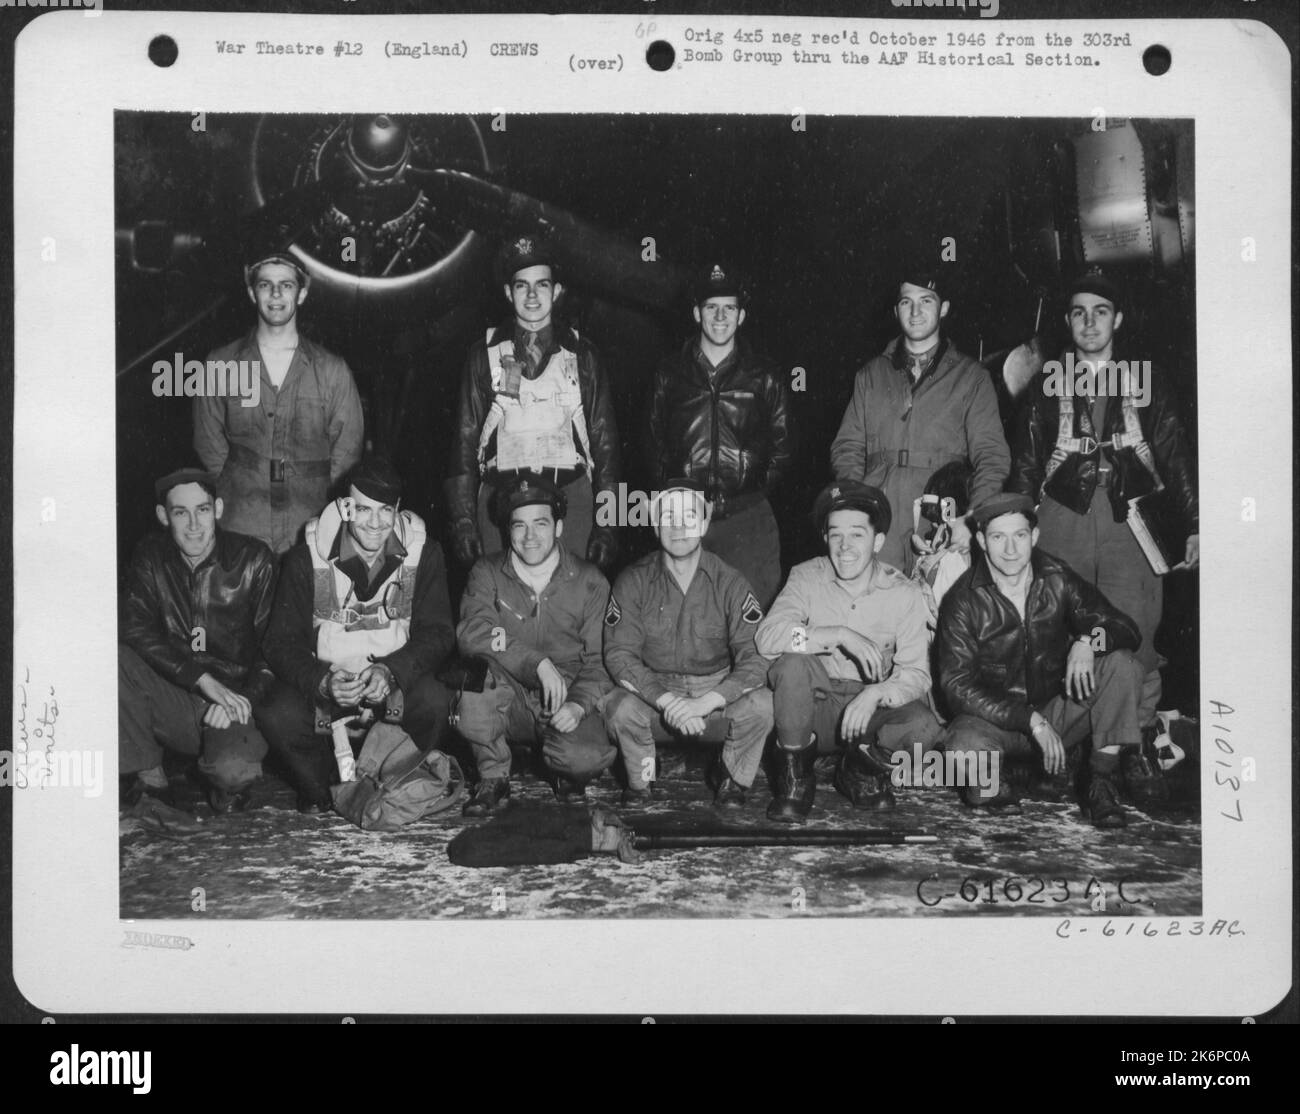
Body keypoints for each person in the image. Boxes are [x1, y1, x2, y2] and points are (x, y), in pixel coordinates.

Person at [1007, 269, 1198, 780]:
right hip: (1062, 517)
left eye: (1100, 311)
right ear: (1067, 322)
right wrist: (1018, 525)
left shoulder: (1146, 378)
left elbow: (1174, 453)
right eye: (1078, 312)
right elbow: (1026, 463)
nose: (1088, 322)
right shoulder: (1046, 385)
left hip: (1129, 521)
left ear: (1118, 318)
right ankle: (1068, 742)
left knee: (1135, 632)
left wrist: (1194, 522)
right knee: (1060, 631)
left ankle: (1129, 747)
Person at [936, 493, 1145, 828]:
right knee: (963, 754)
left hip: (1057, 712)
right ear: (980, 541)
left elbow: (1126, 629)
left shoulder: (1057, 578)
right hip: (995, 723)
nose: (1010, 549)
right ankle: (1019, 774)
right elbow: (956, 687)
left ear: (1034, 536)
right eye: (997, 537)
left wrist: (1090, 639)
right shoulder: (962, 600)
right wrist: (1029, 719)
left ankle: (1100, 780)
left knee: (1122, 664)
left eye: (1019, 536)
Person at [261, 456, 456, 813]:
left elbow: (439, 631)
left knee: (436, 698)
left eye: (385, 511)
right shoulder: (308, 557)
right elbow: (280, 642)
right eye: (363, 510)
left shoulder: (422, 552)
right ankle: (322, 787)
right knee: (277, 711)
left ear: (398, 509)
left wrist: (391, 671)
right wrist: (323, 681)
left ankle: (392, 779)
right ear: (345, 507)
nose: (375, 523)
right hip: (330, 683)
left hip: (392, 681)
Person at [756, 481, 942, 822]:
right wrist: (837, 635)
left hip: (866, 716)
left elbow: (916, 674)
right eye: (835, 535)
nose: (844, 547)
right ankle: (796, 780)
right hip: (813, 709)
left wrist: (876, 693)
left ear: (878, 541)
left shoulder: (904, 592)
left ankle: (859, 771)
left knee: (923, 726)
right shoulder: (805, 577)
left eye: (857, 535)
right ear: (825, 538)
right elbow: (768, 638)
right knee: (792, 664)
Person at [445, 231, 622, 572]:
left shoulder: (583, 354)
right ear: (508, 293)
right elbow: (464, 444)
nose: (531, 295)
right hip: (502, 506)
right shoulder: (483, 353)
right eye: (521, 285)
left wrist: (609, 524)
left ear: (556, 292)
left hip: (571, 502)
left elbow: (606, 449)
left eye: (541, 285)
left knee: (572, 613)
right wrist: (463, 521)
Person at [453, 473, 617, 814]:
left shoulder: (589, 581)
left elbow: (601, 660)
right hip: (508, 691)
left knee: (585, 759)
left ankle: (563, 770)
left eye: (540, 524)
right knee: (471, 690)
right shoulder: (487, 573)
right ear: (506, 529)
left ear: (558, 527)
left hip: (566, 694)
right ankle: (493, 775)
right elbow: (474, 633)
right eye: (519, 526)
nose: (529, 537)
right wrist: (537, 663)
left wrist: (579, 705)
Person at [603, 479, 773, 806]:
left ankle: (730, 776)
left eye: (689, 517)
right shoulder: (633, 580)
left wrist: (706, 702)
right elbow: (619, 655)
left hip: (715, 693)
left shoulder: (731, 582)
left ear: (705, 522)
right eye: (668, 516)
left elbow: (756, 656)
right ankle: (645, 778)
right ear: (654, 524)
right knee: (619, 708)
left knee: (763, 705)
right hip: (656, 692)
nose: (679, 526)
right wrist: (668, 701)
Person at [119, 468, 278, 815]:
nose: (193, 524)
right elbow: (131, 626)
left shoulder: (254, 559)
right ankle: (149, 773)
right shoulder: (150, 556)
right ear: (164, 516)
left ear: (218, 509)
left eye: (202, 509)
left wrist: (239, 700)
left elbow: (274, 650)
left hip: (234, 702)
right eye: (180, 512)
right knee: (115, 658)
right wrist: (201, 680)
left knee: (232, 773)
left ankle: (223, 777)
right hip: (177, 696)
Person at [830, 269, 1009, 572]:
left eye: (926, 301)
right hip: (880, 513)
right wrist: (856, 506)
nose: (915, 312)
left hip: (943, 517)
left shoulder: (971, 378)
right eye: (906, 302)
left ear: (944, 308)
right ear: (895, 310)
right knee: (878, 609)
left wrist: (972, 518)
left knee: (940, 611)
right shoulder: (870, 375)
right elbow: (847, 446)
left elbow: (992, 456)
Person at [194, 251, 364, 554]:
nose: (275, 294)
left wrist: (324, 504)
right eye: (265, 285)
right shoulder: (220, 364)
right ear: (251, 292)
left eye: (286, 285)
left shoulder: (332, 370)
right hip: (241, 528)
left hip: (310, 531)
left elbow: (347, 449)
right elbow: (208, 441)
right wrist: (238, 484)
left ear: (302, 293)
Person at [648, 263, 792, 607]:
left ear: (741, 316)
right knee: (688, 615)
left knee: (753, 615)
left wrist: (745, 496)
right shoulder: (669, 373)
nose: (720, 316)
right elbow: (652, 443)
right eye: (711, 307)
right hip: (685, 517)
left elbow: (783, 448)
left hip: (747, 520)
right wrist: (680, 498)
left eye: (729, 308)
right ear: (697, 313)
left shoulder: (765, 375)